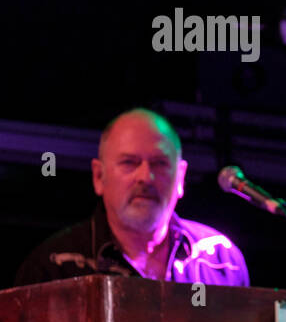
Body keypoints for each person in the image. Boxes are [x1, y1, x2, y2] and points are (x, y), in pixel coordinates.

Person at [15, 108, 248, 287]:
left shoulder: (221, 258)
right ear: (98, 176)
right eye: (129, 162)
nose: (146, 177)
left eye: (160, 163)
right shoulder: (54, 265)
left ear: (180, 177)